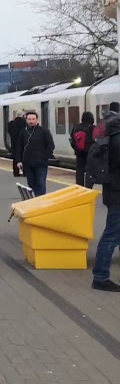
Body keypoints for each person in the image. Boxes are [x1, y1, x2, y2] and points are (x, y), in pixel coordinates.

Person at [90, 111, 120, 292]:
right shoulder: (118, 141)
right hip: (118, 194)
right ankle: (100, 277)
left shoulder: (113, 138)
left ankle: (100, 276)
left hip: (113, 192)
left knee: (113, 235)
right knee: (111, 236)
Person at [17, 111, 54, 196]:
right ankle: (35, 199)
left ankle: (41, 200)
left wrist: (45, 157)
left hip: (41, 163)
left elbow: (51, 145)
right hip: (28, 164)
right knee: (31, 183)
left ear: (37, 120)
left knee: (40, 183)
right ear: (26, 120)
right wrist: (19, 160)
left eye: (33, 119)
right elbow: (19, 147)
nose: (31, 121)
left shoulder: (44, 131)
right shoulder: (23, 133)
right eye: (29, 119)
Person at [71, 111, 96, 187]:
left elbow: (72, 140)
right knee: (90, 171)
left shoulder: (76, 127)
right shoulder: (93, 128)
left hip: (79, 154)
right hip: (90, 154)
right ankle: (88, 188)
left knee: (79, 171)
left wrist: (76, 149)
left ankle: (79, 187)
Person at [8, 111, 28, 177]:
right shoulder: (24, 123)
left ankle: (16, 172)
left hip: (14, 143)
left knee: (15, 158)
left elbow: (9, 131)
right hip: (23, 142)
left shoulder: (11, 123)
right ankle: (25, 172)